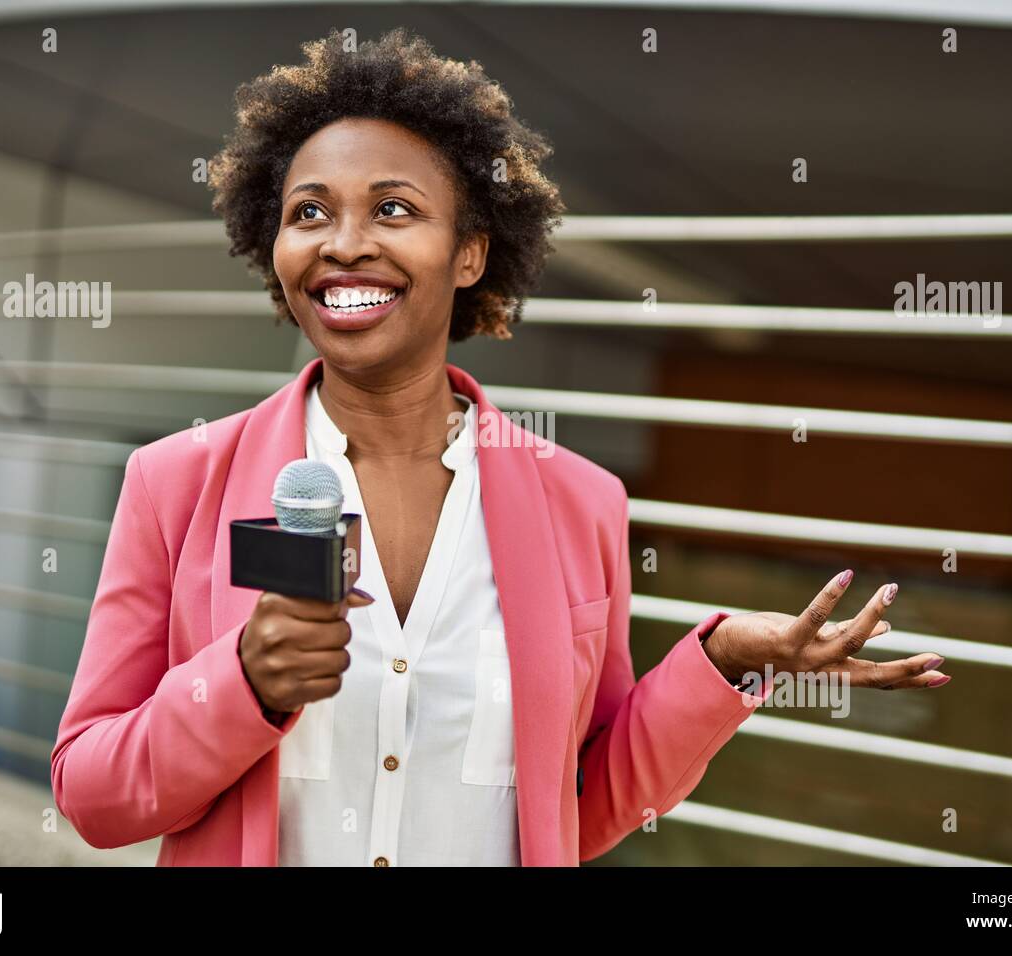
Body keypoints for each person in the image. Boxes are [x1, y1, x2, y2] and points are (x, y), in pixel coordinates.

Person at [51, 27, 949, 867]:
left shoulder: (581, 501)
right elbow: (91, 795)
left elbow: (584, 804)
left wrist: (721, 666)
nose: (345, 244)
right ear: (273, 242)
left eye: (394, 209)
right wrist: (239, 683)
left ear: (470, 253)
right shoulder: (176, 482)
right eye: (310, 212)